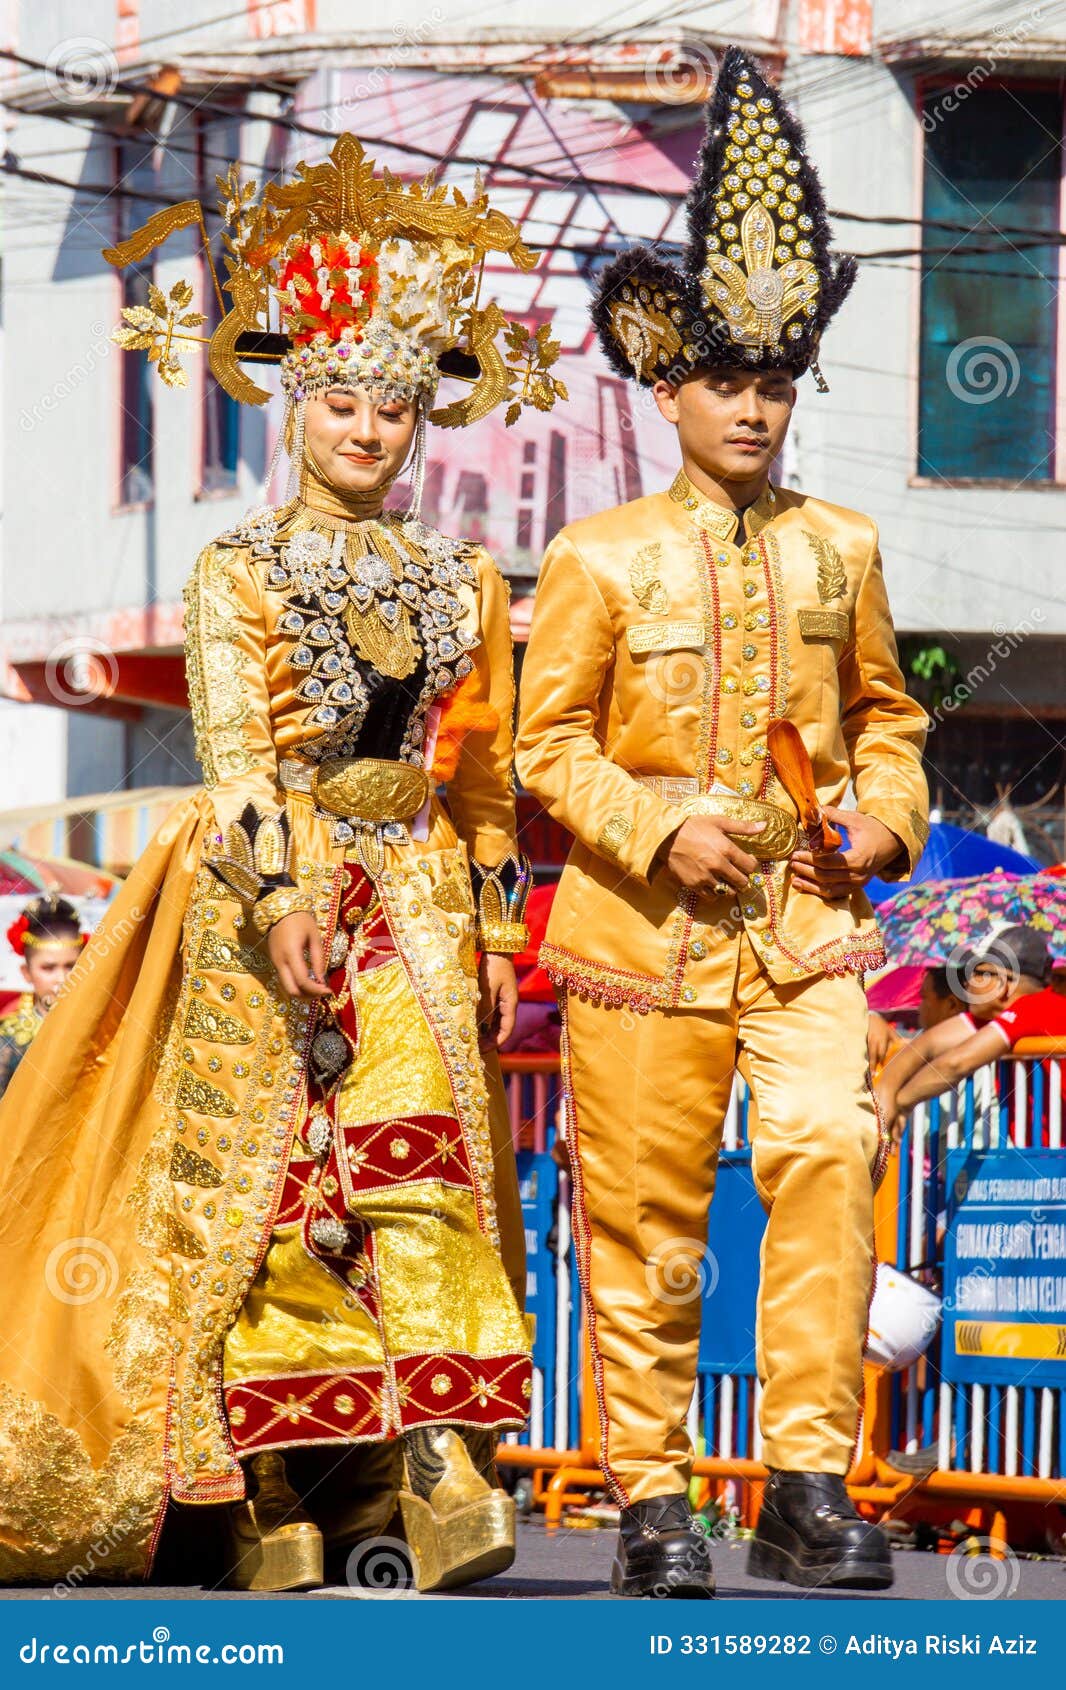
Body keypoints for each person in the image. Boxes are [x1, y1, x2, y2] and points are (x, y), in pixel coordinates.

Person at [0, 132, 562, 1593]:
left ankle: (434, 1459)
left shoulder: (459, 578)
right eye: (341, 399)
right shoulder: (237, 568)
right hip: (269, 891)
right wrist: (278, 895)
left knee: (420, 1165)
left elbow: (487, 775)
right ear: (292, 405)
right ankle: (265, 1488)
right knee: (269, 1189)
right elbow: (239, 745)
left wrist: (500, 933)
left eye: (392, 401)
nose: (369, 426)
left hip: (423, 888)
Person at [516, 46, 929, 1597]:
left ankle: (807, 1479)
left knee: (830, 1143)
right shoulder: (599, 557)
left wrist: (879, 826)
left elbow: (890, 721)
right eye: (724, 380)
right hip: (641, 932)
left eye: (773, 380)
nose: (753, 407)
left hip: (810, 927)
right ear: (666, 383)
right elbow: (545, 746)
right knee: (643, 1208)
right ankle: (651, 1494)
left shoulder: (843, 544)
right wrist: (652, 826)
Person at [876, 926, 1066, 1126]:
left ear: (1003, 984)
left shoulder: (1038, 1006)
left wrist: (901, 1105)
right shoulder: (1000, 1017)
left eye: (977, 972)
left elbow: (956, 1064)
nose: (966, 983)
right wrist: (887, 1088)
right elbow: (925, 1045)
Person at [0, 894, 87, 1100]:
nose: (63, 979)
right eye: (48, 968)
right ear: (26, 972)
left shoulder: (109, 1028)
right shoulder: (8, 1041)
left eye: (72, 966)